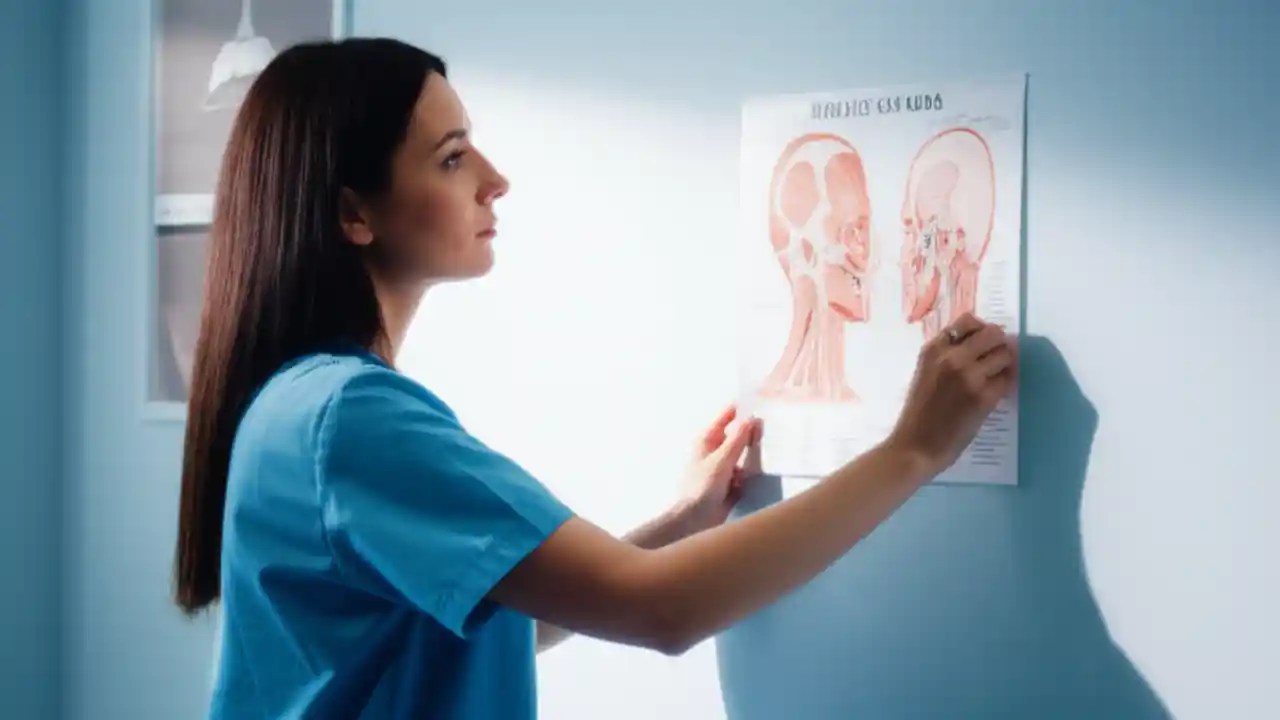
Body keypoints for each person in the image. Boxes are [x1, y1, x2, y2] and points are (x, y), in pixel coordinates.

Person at [173, 37, 1018, 719]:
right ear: (352, 212)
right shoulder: (351, 419)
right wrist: (913, 449)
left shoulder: (297, 405)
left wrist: (678, 524)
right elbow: (662, 613)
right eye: (453, 157)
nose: (495, 181)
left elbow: (488, 619)